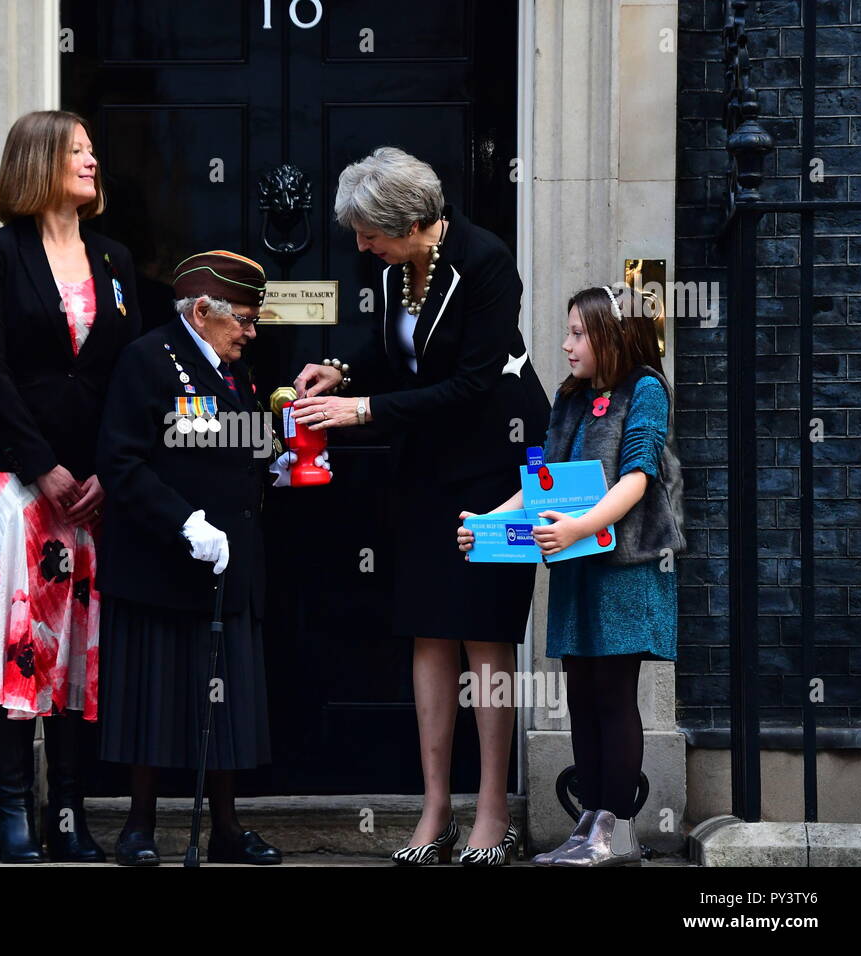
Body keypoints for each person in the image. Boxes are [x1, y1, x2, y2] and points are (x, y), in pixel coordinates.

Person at [292, 146, 551, 866]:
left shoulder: (487, 262)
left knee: (485, 633)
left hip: (494, 464)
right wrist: (340, 367)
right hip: (425, 469)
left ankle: (492, 812)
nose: (360, 245)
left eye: (369, 234)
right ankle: (435, 809)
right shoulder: (393, 267)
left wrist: (361, 411)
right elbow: (396, 352)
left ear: (410, 222)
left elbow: (470, 382)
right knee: (429, 631)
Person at [0, 110, 141, 863]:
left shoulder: (115, 260)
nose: (92, 162)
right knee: (15, 642)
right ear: (40, 162)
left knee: (75, 649)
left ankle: (69, 814)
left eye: (92, 150)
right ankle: (16, 811)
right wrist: (41, 464)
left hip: (90, 487)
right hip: (9, 480)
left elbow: (131, 378)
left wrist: (106, 472)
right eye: (78, 151)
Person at [457, 284, 686, 866]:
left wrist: (579, 528)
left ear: (613, 335)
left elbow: (637, 479)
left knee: (613, 695)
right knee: (580, 696)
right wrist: (488, 523)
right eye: (568, 332)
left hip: (627, 571)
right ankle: (590, 827)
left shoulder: (646, 390)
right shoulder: (570, 399)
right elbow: (545, 482)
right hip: (576, 569)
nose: (566, 345)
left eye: (578, 333)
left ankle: (618, 831)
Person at [96, 251, 296, 866]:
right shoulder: (148, 360)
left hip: (229, 564)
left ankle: (227, 828)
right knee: (153, 698)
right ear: (202, 311)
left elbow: (241, 444)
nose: (251, 330)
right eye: (242, 317)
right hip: (161, 562)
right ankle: (139, 826)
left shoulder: (238, 373)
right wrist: (181, 520)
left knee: (226, 698)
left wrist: (283, 464)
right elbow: (121, 460)